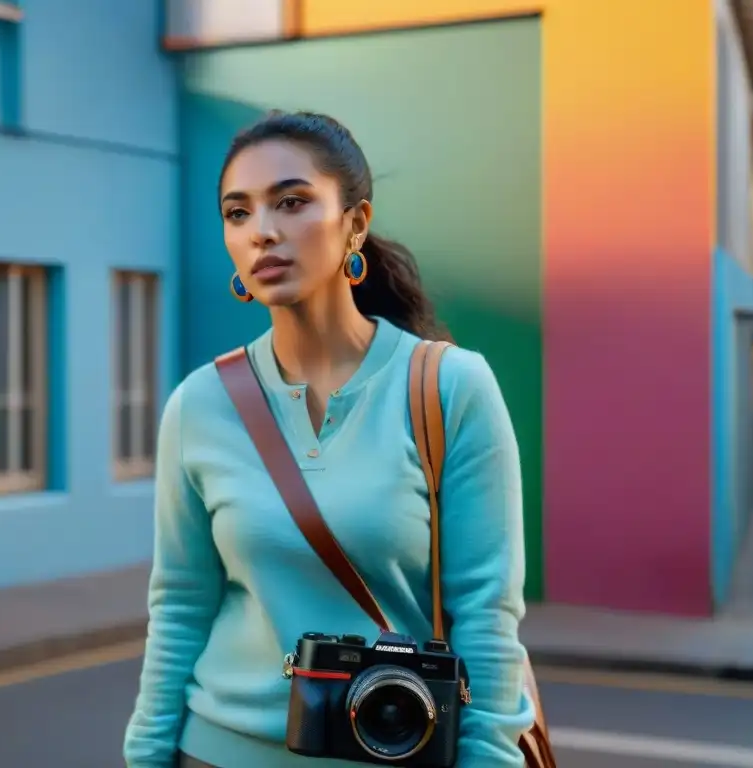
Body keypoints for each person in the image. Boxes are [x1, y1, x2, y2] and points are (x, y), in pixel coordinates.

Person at [123, 111, 534, 768]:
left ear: (356, 223)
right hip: (217, 752)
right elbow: (179, 606)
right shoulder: (199, 404)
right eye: (238, 213)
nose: (262, 231)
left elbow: (487, 618)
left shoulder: (450, 388)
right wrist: (145, 756)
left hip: (396, 750)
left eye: (291, 202)